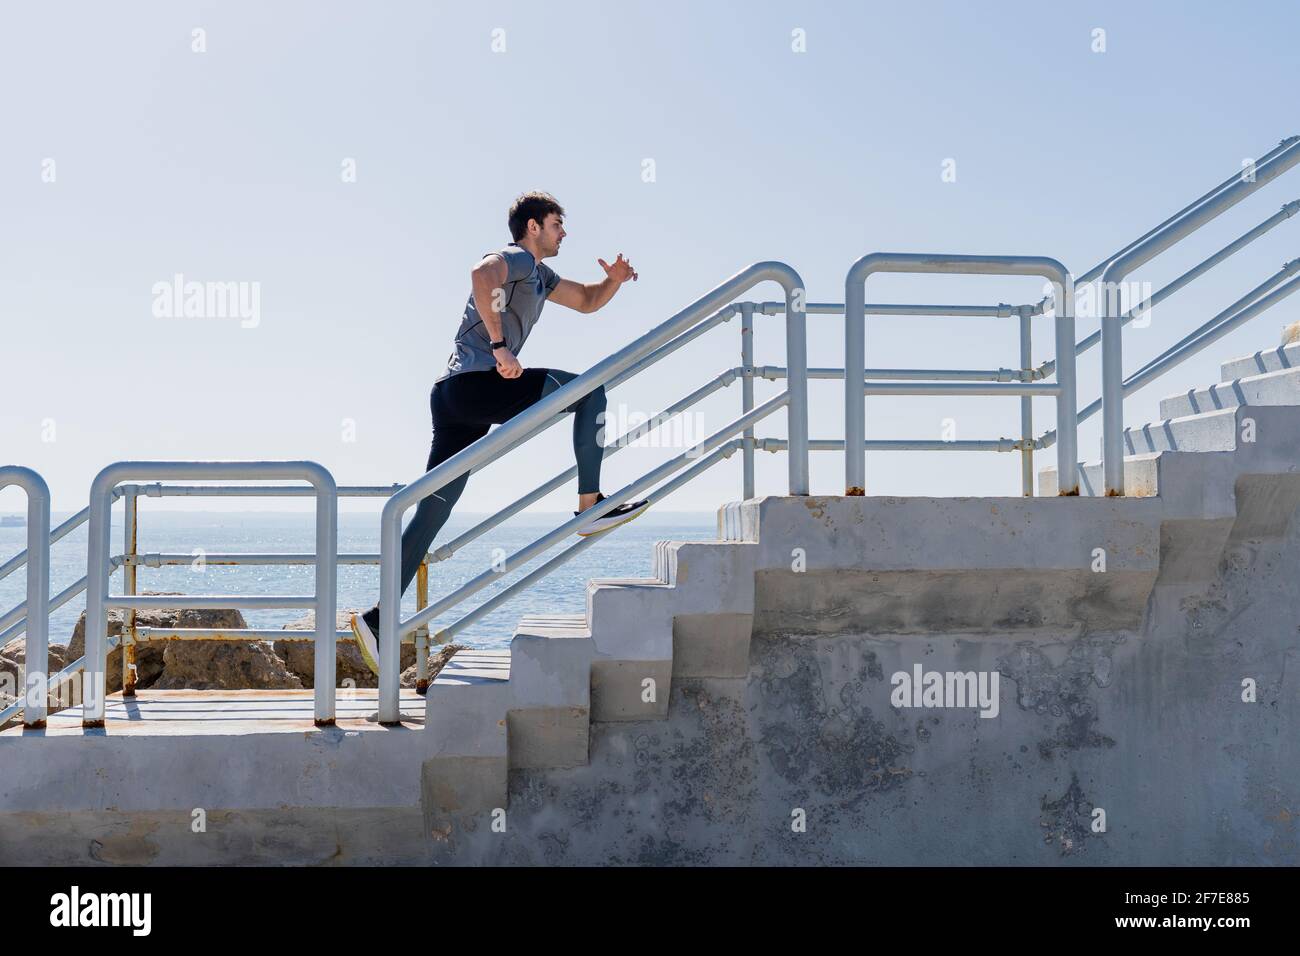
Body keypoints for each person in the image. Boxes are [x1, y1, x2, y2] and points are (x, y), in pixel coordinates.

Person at [349, 191, 649, 674]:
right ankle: (590, 506)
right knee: (590, 392)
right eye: (557, 224)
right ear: (532, 227)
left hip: (454, 396)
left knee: (433, 509)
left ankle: (379, 618)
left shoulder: (541, 275)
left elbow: (588, 301)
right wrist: (500, 346)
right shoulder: (515, 258)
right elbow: (481, 275)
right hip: (479, 383)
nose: (563, 233)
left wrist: (611, 282)